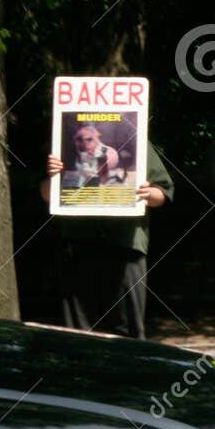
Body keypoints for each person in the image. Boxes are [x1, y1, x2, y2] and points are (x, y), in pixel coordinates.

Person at [43, 138, 171, 340]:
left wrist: (148, 194)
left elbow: (162, 192)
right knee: (78, 333)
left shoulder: (136, 139)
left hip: (126, 246)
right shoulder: (63, 139)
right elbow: (46, 194)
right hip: (78, 247)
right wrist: (54, 177)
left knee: (128, 332)